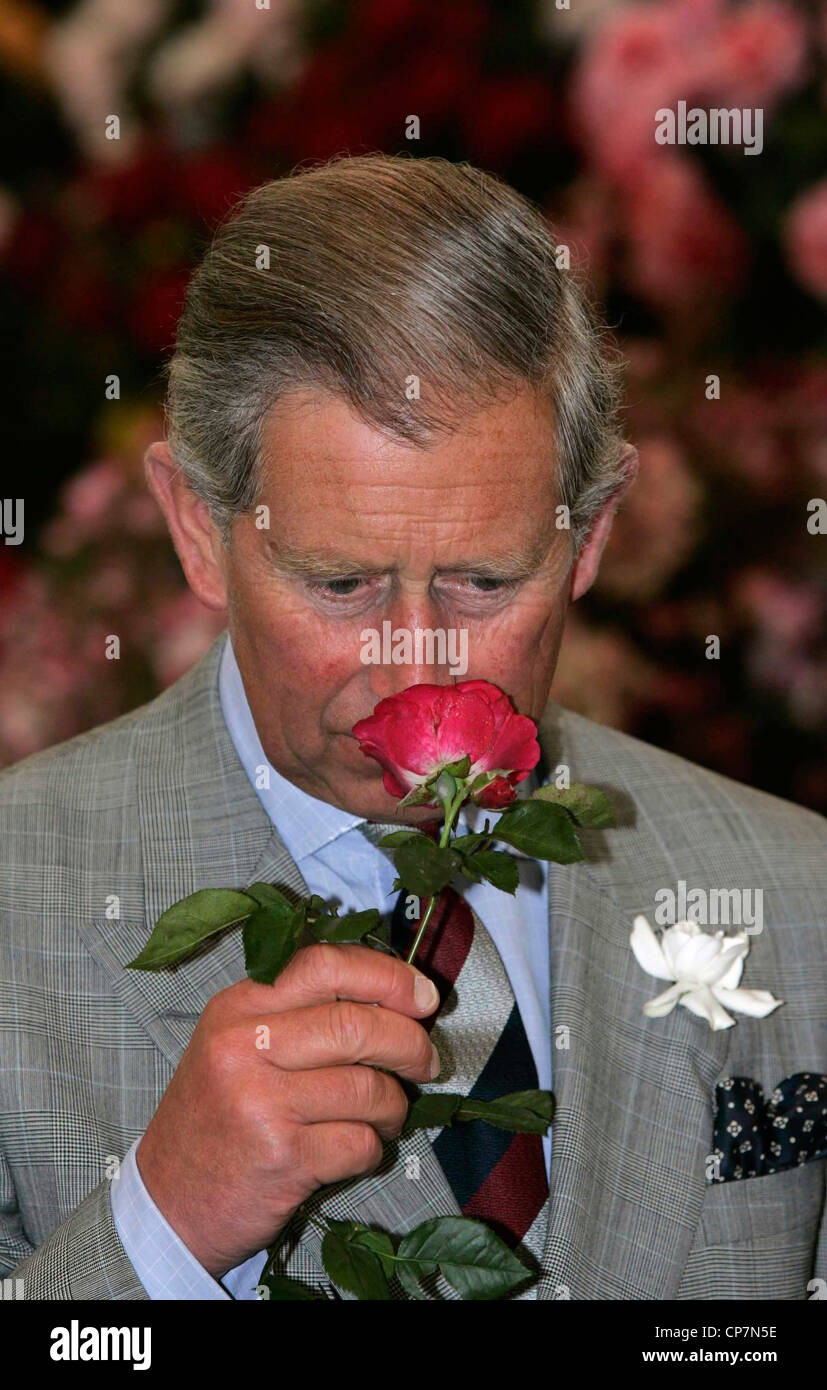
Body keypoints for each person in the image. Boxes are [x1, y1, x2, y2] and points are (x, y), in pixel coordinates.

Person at [1, 154, 824, 1301]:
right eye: (339, 584)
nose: (414, 660)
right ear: (196, 528)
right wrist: (162, 1226)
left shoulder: (796, 896)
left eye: (485, 581)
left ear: (589, 540)